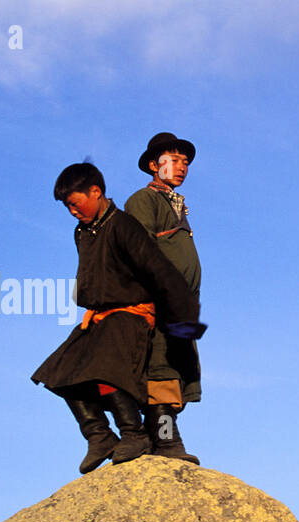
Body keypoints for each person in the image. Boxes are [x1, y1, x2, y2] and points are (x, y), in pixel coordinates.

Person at [32, 162, 204, 474]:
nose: (72, 211)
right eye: (67, 206)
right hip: (100, 317)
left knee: (133, 376)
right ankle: (99, 436)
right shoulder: (83, 232)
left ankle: (142, 437)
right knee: (60, 372)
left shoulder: (124, 224)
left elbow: (156, 267)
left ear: (95, 192)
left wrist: (181, 314)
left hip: (134, 314)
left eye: (75, 203)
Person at [125, 132, 203, 465]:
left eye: (184, 161)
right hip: (159, 302)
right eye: (173, 160)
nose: (181, 166)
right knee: (161, 369)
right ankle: (167, 441)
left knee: (179, 370)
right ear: (154, 165)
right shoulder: (145, 200)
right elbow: (137, 250)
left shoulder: (176, 204)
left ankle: (152, 437)